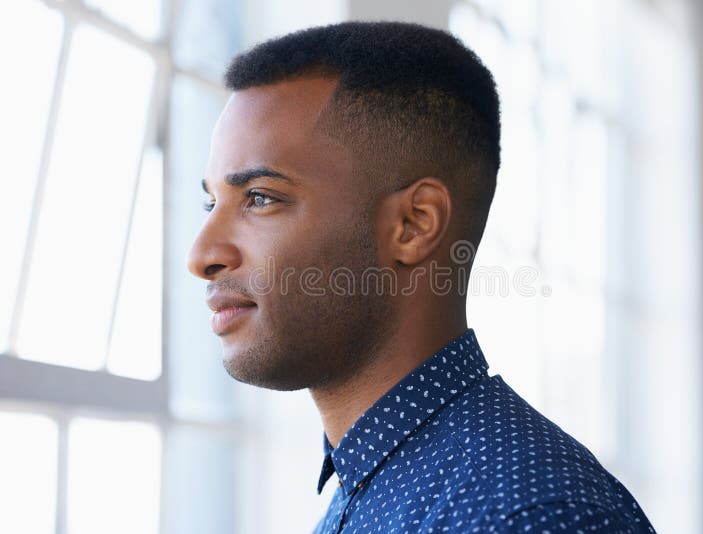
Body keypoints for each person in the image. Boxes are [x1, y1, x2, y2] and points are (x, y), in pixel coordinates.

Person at [187, 20, 655, 533]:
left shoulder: (525, 516)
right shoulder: (373, 483)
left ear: (414, 225)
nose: (201, 255)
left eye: (260, 198)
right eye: (212, 203)